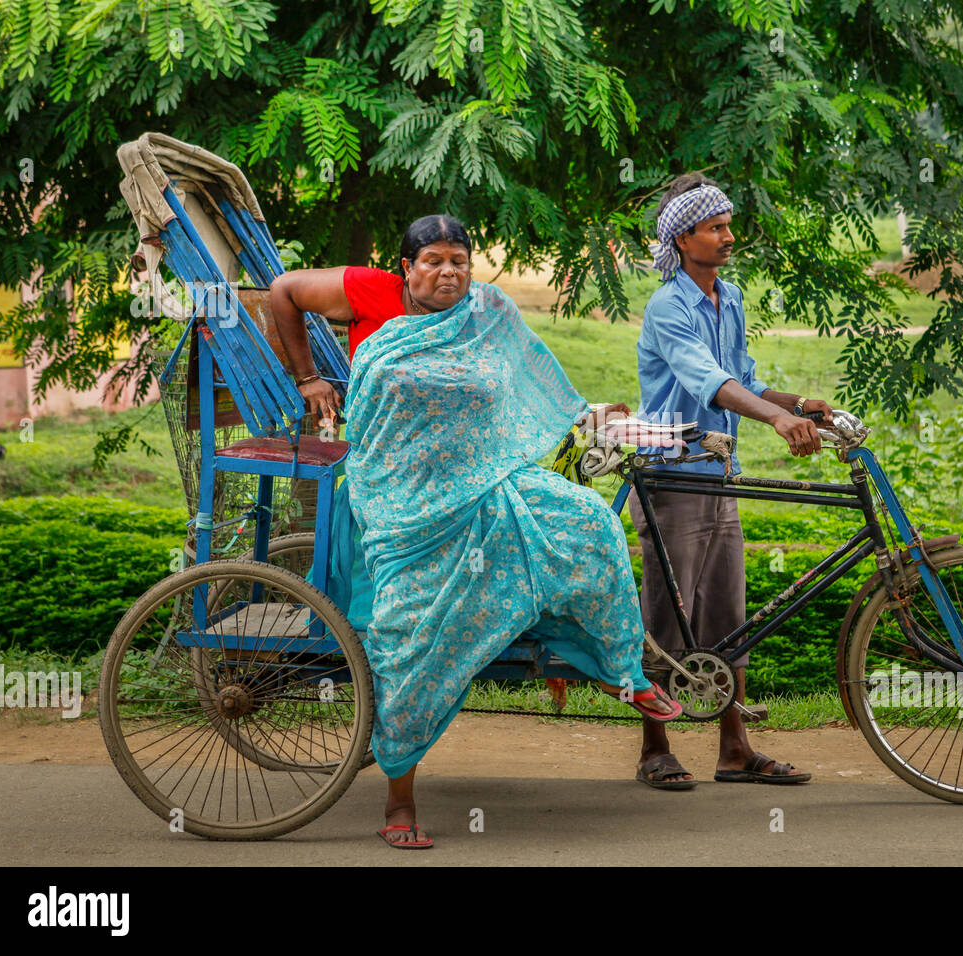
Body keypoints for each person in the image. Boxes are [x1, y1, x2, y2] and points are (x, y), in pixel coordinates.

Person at [269, 216, 681, 849]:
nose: (448, 272)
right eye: (432, 260)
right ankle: (399, 801)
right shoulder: (369, 292)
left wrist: (587, 417)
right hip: (399, 494)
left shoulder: (489, 312)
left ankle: (618, 669)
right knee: (409, 632)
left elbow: (536, 380)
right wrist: (307, 377)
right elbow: (283, 291)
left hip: (488, 480)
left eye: (459, 260)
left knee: (591, 520)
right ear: (407, 267)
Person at [628, 173, 834, 789]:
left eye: (727, 225)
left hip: (719, 473)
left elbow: (740, 374)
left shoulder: (730, 296)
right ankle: (653, 747)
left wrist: (799, 403)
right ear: (683, 237)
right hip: (672, 475)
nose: (727, 236)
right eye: (715, 227)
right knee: (668, 618)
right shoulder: (669, 306)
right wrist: (774, 417)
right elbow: (703, 380)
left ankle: (734, 748)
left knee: (728, 615)